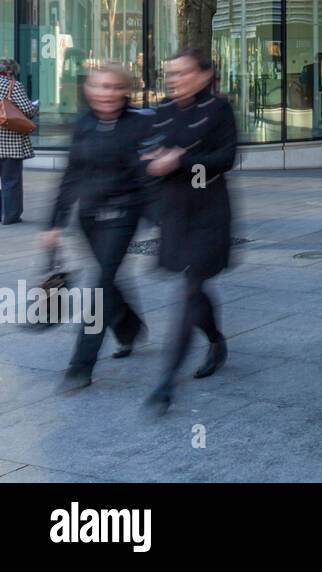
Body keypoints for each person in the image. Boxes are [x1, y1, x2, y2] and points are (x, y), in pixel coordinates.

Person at [42, 63, 150, 389]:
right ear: (89, 90)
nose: (109, 93)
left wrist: (165, 220)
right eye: (101, 86)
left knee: (101, 286)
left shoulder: (137, 126)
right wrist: (55, 224)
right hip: (88, 218)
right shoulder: (83, 124)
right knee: (108, 280)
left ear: (126, 91)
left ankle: (80, 365)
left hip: (123, 215)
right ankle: (129, 328)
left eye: (116, 87)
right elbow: (72, 175)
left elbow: (148, 179)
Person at [142, 48, 238, 414]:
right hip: (174, 217)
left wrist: (180, 161)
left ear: (204, 75)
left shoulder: (218, 110)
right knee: (193, 291)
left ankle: (166, 379)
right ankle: (215, 339)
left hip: (209, 214)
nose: (173, 79)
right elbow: (149, 160)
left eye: (182, 73)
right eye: (170, 73)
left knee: (190, 289)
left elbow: (225, 159)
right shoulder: (163, 111)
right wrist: (152, 168)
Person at [0, 58, 37, 225]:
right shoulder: (13, 86)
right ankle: (10, 216)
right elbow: (28, 110)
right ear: (9, 72)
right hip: (9, 143)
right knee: (11, 180)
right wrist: (35, 107)